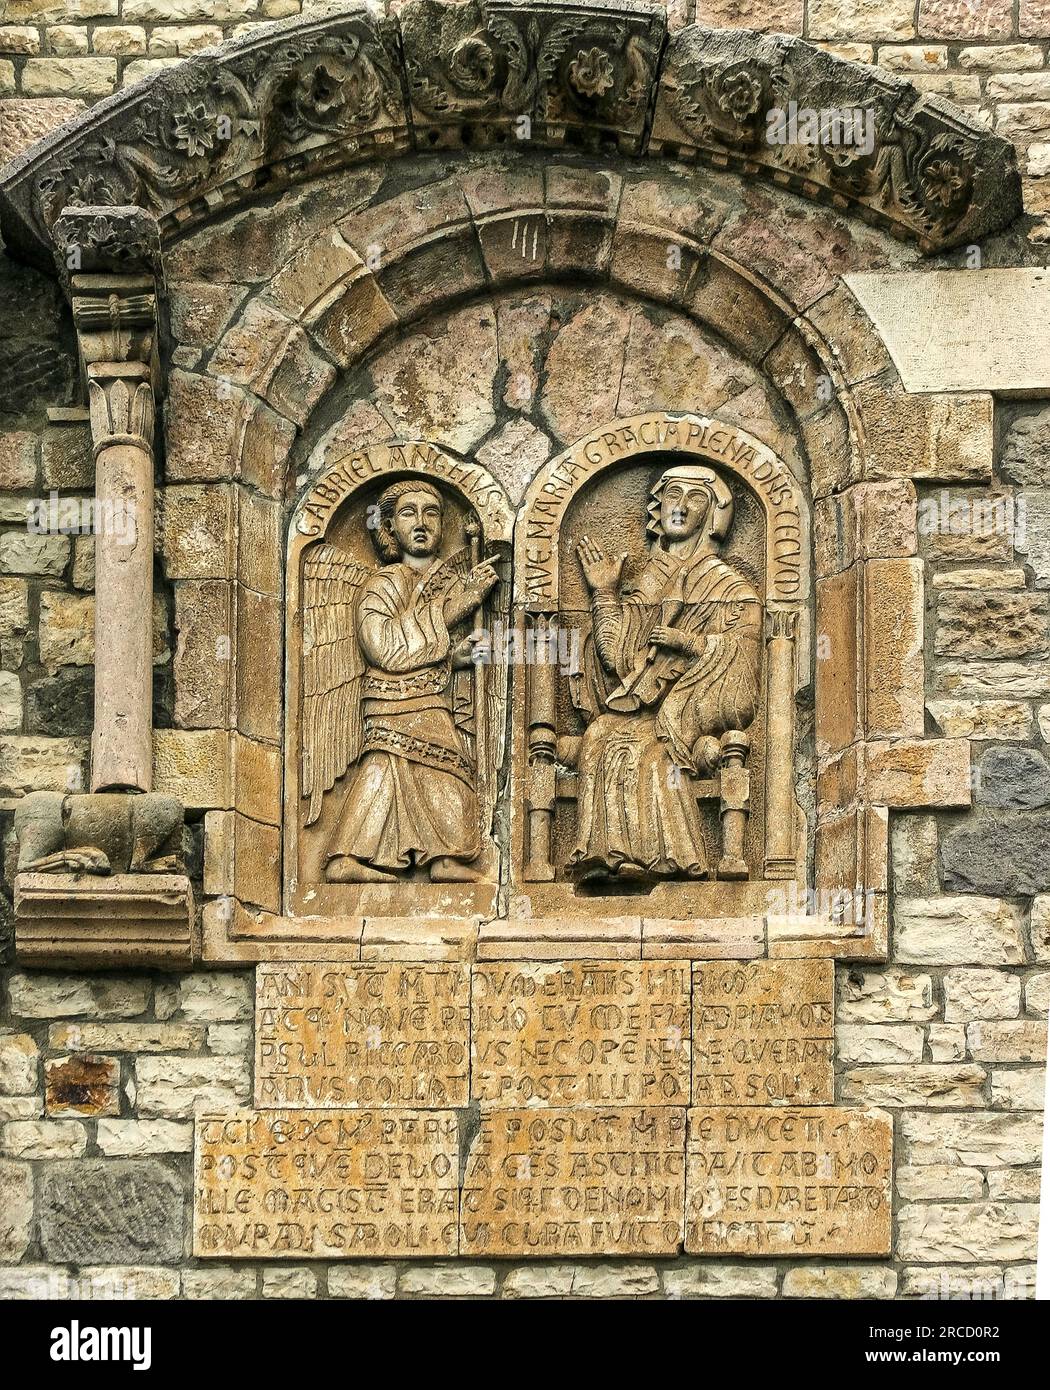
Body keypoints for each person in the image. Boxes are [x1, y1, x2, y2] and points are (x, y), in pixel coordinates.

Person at [569, 463, 761, 880]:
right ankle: (603, 857)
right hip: (639, 707)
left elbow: (741, 661)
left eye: (695, 498)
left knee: (653, 749)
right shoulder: (651, 580)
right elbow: (617, 659)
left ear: (712, 514)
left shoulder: (729, 587)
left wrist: (686, 643)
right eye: (673, 495)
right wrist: (603, 592)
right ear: (659, 506)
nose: (681, 506)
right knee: (599, 734)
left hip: (685, 709)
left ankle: (665, 860)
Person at [324, 481, 498, 883]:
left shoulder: (447, 577)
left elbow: (419, 651)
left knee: (434, 771)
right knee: (398, 765)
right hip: (391, 700)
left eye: (431, 512)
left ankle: (441, 857)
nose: (421, 523)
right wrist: (460, 605)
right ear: (389, 527)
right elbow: (384, 647)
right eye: (408, 513)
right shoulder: (382, 584)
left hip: (429, 695)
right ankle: (348, 857)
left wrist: (454, 660)